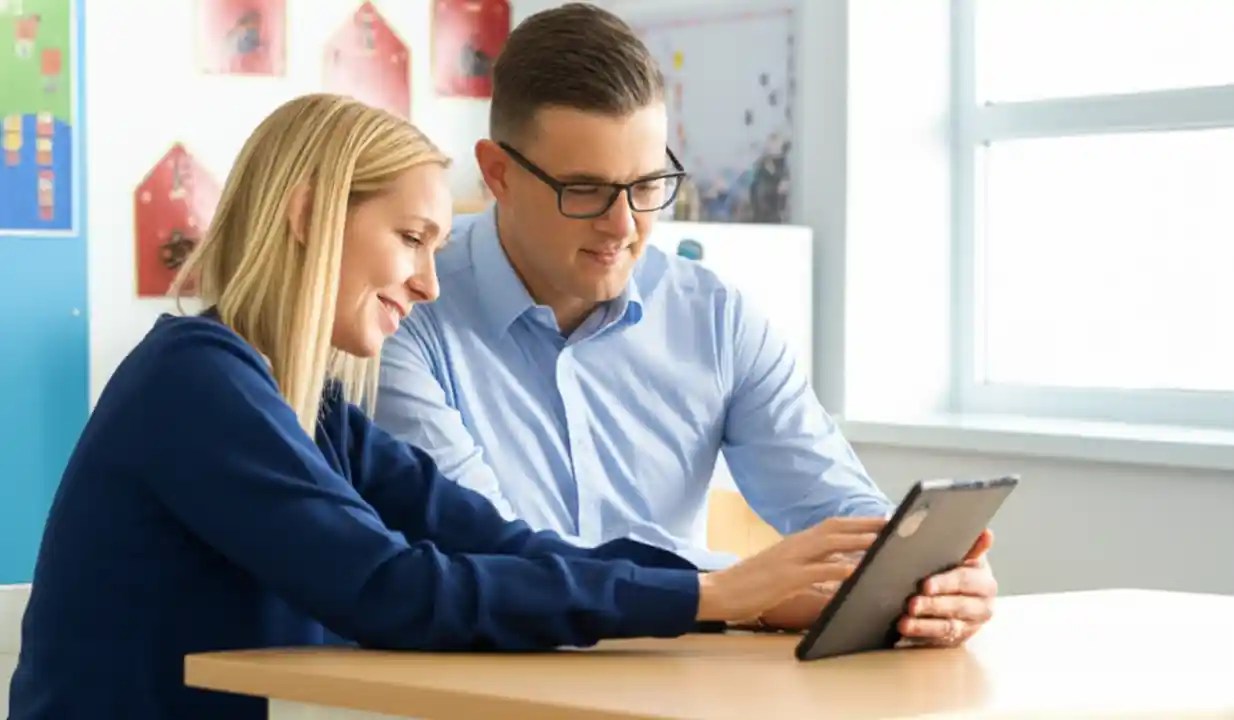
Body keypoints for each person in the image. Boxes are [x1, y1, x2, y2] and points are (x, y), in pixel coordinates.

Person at [7, 93, 889, 720]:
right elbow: (394, 591)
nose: (430, 283)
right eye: (411, 239)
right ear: (310, 215)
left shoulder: (310, 412)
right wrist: (707, 593)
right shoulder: (194, 384)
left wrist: (731, 599)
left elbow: (499, 542)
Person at [375, 3, 998, 643]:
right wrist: (742, 593)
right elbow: (497, 555)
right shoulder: (402, 311)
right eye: (584, 190)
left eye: (647, 185)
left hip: (676, 687)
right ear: (498, 173)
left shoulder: (715, 319)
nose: (623, 227)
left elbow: (843, 515)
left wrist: (923, 581)